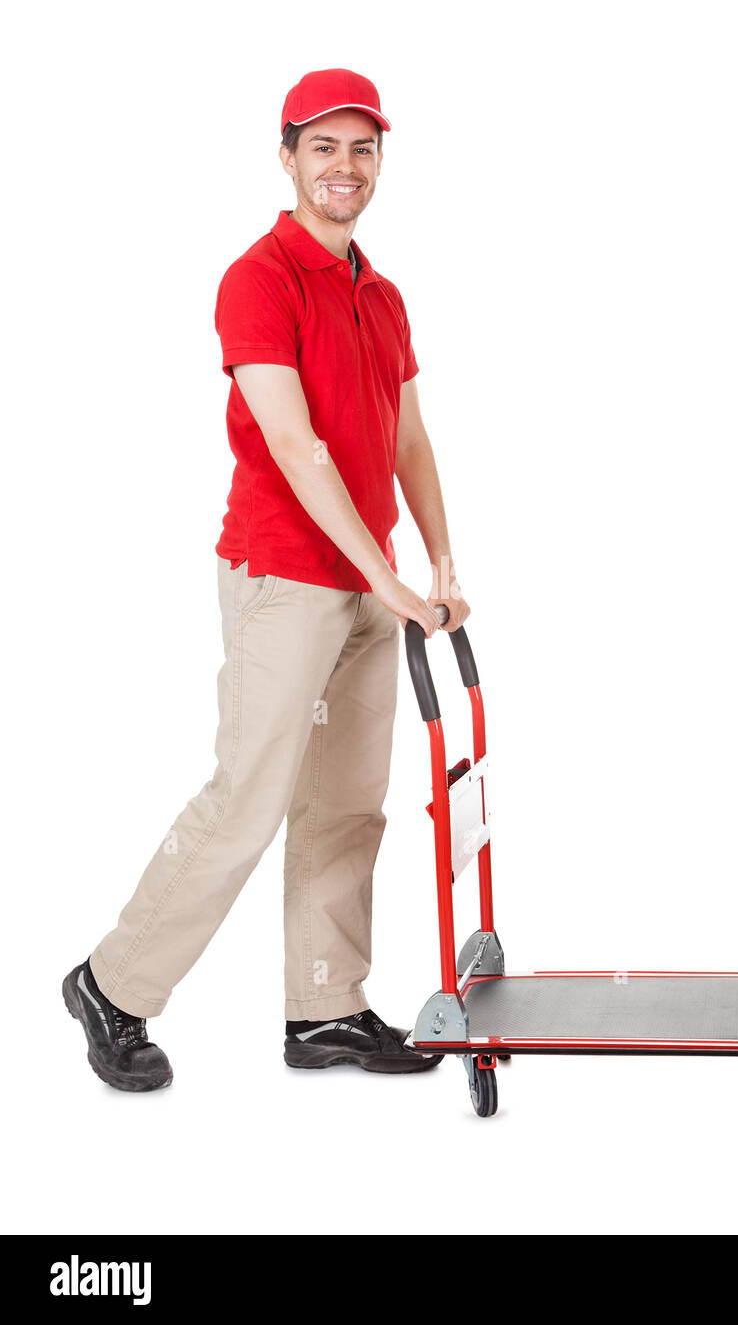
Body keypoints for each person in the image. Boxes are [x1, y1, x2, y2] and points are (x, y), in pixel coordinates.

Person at [63, 67, 470, 1092]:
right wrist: (388, 577)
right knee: (248, 796)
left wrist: (440, 566)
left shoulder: (381, 292)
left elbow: (408, 440)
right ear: (285, 157)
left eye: (362, 147)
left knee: (345, 805)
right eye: (323, 147)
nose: (344, 167)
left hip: (373, 589)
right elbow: (294, 444)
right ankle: (113, 986)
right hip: (287, 580)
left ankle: (325, 1007)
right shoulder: (258, 278)